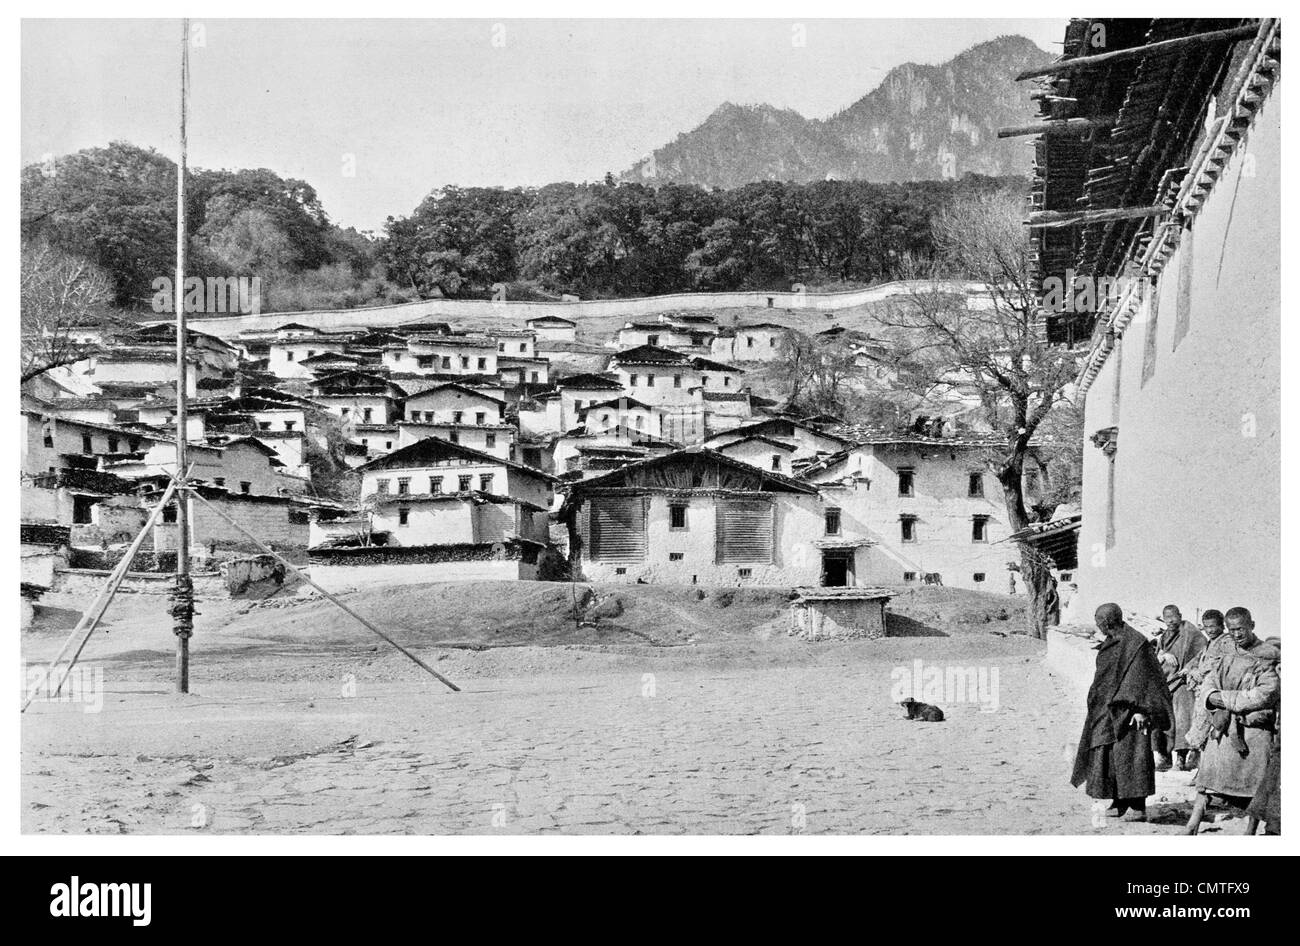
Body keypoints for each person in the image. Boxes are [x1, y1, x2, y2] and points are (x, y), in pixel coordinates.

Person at [1071, 603, 1175, 823]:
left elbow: (1147, 680)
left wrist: (1141, 710)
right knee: (1108, 755)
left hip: (1132, 713)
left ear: (1107, 621)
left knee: (1132, 757)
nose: (1097, 625)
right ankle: (1119, 801)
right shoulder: (1110, 642)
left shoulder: (1136, 644)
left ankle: (1138, 807)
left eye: (1099, 620)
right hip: (1106, 711)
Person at [1184, 608, 1279, 835]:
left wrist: (1223, 699)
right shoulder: (1227, 650)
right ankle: (1192, 824)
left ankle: (1250, 830)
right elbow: (1211, 679)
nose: (1236, 635)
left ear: (1252, 625)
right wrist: (1210, 695)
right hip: (1225, 727)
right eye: (1232, 630)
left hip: (1253, 729)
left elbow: (1267, 692)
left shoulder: (1268, 654)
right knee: (1207, 779)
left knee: (1257, 785)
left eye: (1241, 629)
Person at [1153, 605, 1207, 772]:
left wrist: (1189, 668)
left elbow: (1202, 655)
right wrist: (1163, 655)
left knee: (1182, 719)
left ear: (1180, 616)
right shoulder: (1163, 637)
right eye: (1166, 617)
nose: (1170, 620)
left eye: (1173, 616)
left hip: (1184, 683)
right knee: (1162, 719)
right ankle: (1164, 757)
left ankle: (1181, 758)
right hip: (1166, 683)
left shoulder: (1192, 634)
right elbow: (1156, 655)